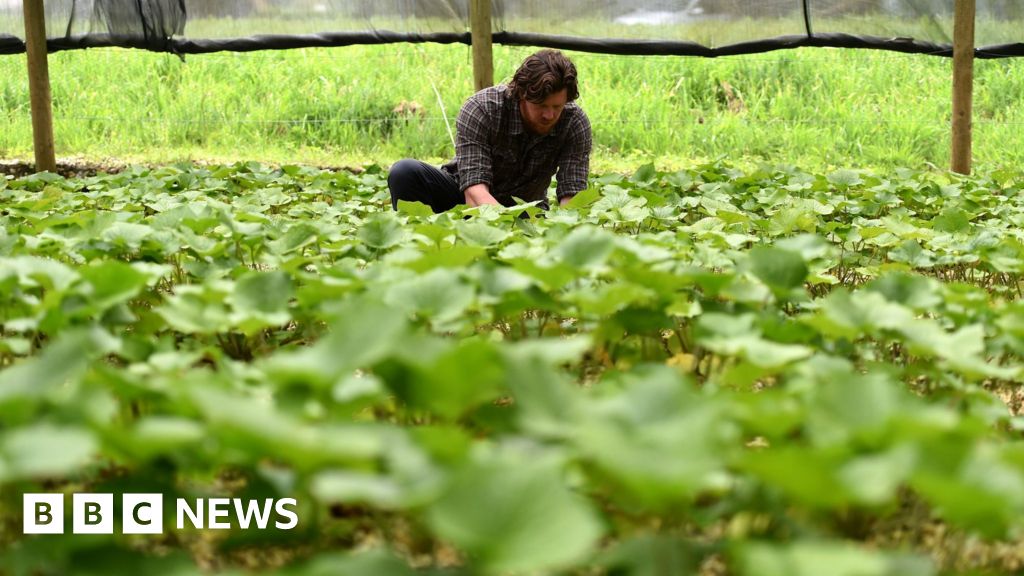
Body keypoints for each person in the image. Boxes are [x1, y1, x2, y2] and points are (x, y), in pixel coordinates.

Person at [388, 49, 592, 213]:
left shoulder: (574, 123)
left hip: (525, 210)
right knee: (404, 172)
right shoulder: (482, 109)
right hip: (462, 197)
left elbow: (572, 195)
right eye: (541, 106)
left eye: (557, 106)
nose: (549, 115)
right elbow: (474, 190)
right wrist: (506, 229)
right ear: (521, 94)